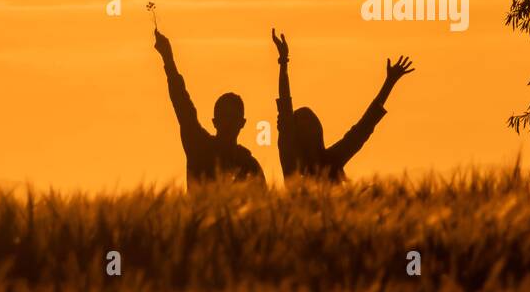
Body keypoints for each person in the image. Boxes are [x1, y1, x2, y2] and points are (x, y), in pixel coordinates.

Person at [271, 29, 413, 181]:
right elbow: (286, 107)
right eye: (305, 126)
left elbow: (363, 127)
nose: (309, 130)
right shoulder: (296, 162)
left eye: (310, 124)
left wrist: (389, 83)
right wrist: (283, 61)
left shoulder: (325, 160)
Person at [153, 29, 264, 188]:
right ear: (215, 121)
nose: (228, 123)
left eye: (232, 118)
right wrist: (168, 59)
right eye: (224, 117)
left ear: (242, 123)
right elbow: (183, 106)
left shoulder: (250, 165)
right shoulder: (199, 146)